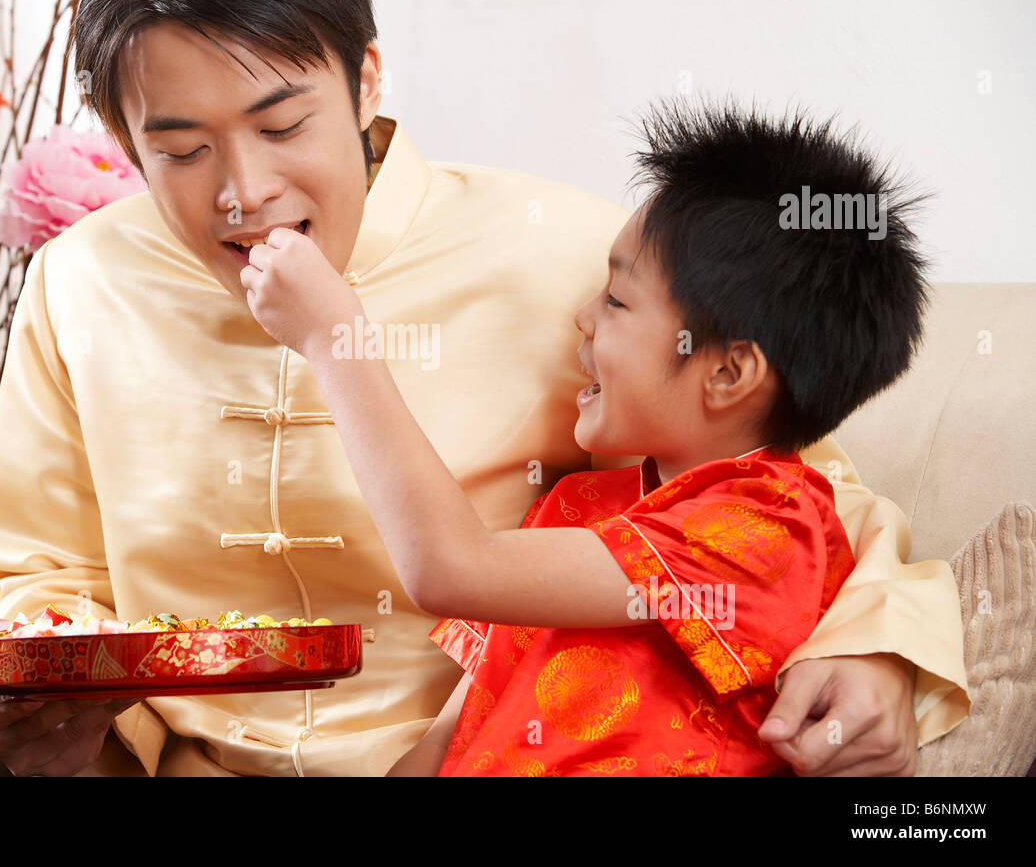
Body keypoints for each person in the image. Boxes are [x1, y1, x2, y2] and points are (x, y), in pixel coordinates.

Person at [0, 0, 969, 777]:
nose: (244, 190)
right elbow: (40, 571)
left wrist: (877, 646)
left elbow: (790, 480)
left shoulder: (582, 267)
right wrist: (57, 695)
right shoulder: (77, 280)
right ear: (121, 137)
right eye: (180, 152)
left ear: (363, 82)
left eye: (283, 125)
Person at [241, 98, 942, 775]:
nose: (582, 317)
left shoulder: (767, 530)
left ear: (727, 370)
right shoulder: (575, 507)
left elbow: (451, 569)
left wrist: (338, 342)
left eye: (615, 300)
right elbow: (450, 736)